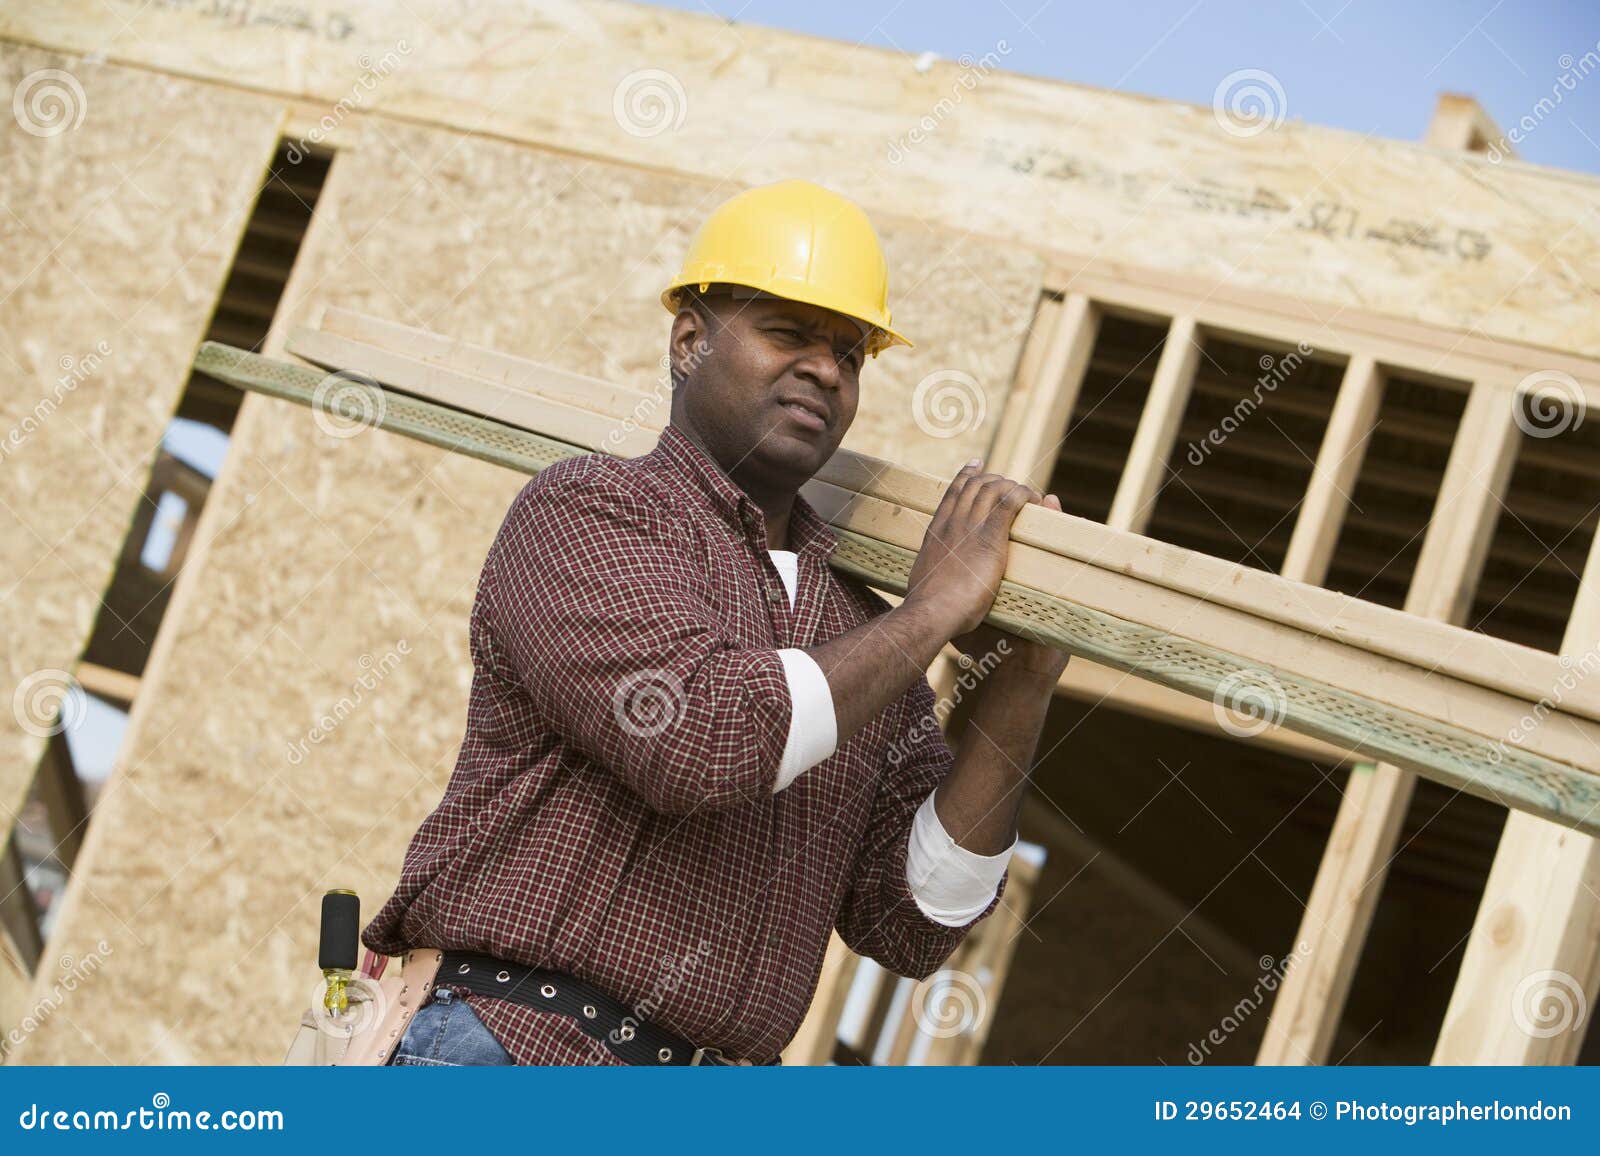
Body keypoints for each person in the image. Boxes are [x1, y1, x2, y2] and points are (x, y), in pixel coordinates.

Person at [362, 179, 1070, 1066]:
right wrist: (933, 612)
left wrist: (1020, 686)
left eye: (850, 355)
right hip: (510, 1050)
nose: (826, 370)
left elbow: (915, 920)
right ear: (690, 341)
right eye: (788, 333)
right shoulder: (591, 513)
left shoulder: (858, 629)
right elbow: (694, 741)